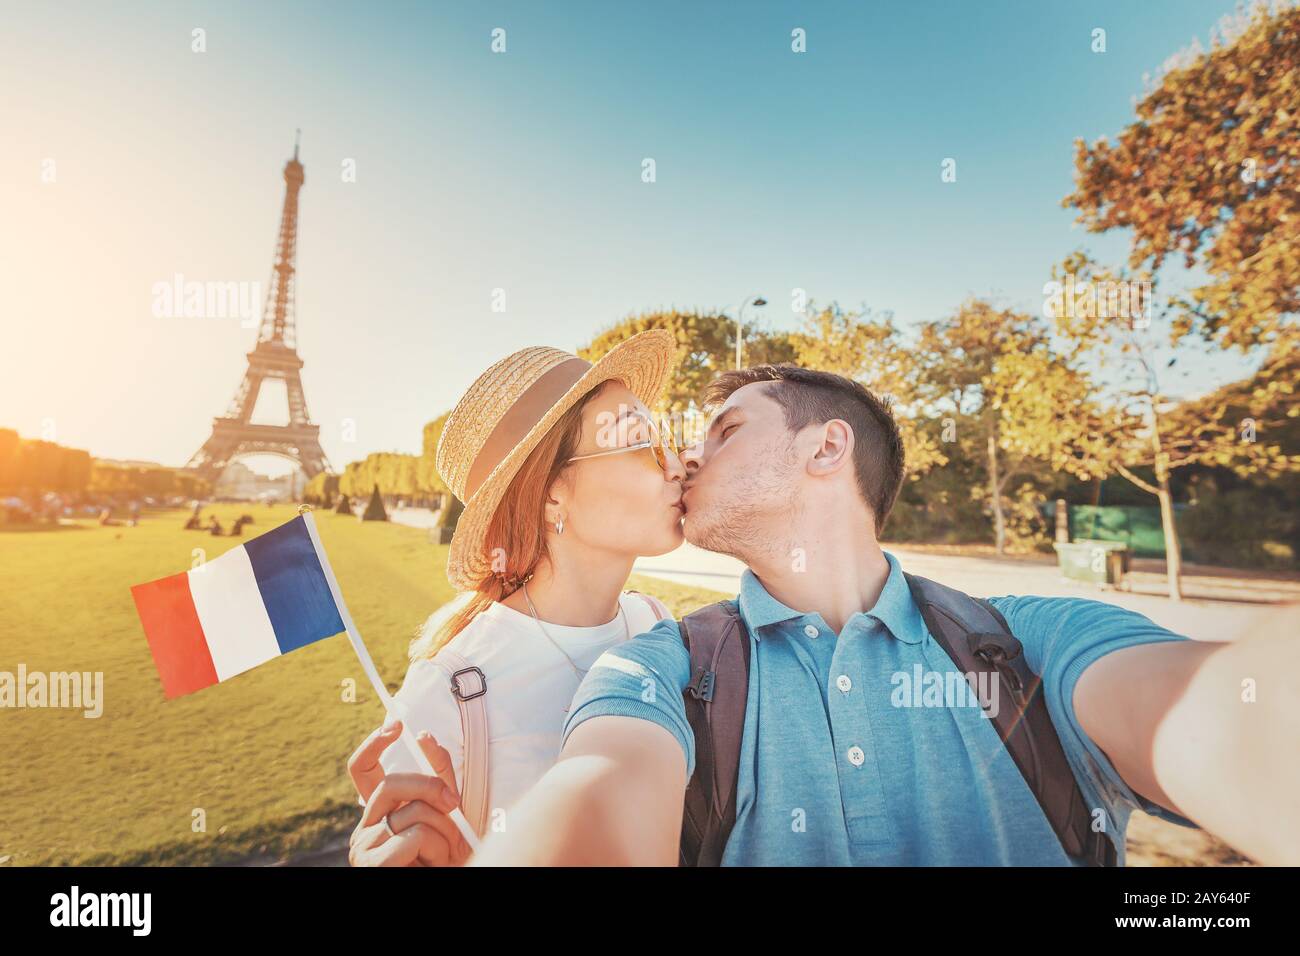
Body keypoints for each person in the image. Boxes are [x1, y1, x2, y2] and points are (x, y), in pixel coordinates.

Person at [459, 363, 1300, 866]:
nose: (683, 456)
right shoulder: (657, 669)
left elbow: (1229, 713)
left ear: (825, 448)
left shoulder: (1033, 645)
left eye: (724, 430)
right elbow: (597, 799)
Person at [346, 330, 688, 867]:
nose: (677, 464)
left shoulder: (655, 623)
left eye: (665, 438)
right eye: (641, 441)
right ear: (553, 489)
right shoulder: (448, 692)